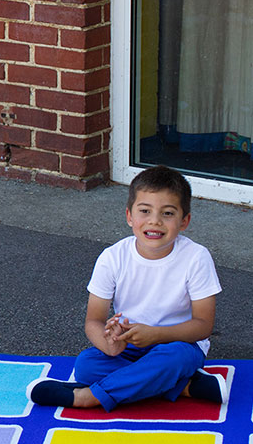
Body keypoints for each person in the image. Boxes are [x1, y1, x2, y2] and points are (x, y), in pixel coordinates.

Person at [29, 165, 225, 411]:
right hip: (129, 348)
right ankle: (185, 387)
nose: (155, 221)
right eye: (145, 211)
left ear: (184, 221)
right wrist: (109, 342)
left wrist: (156, 335)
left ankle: (89, 397)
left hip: (178, 344)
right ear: (129, 216)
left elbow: (203, 326)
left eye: (167, 213)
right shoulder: (112, 257)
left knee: (176, 358)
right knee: (87, 364)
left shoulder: (196, 257)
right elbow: (94, 320)